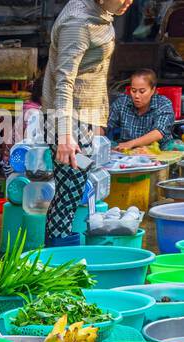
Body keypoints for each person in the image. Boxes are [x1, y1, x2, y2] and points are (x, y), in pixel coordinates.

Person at [41, 0, 134, 242]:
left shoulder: (99, 12)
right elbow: (64, 81)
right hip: (68, 122)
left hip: (84, 117)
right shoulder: (79, 23)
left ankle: (62, 252)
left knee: (72, 189)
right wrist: (64, 136)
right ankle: (59, 260)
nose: (128, 2)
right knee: (69, 193)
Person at [107, 69, 176, 149]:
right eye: (133, 90)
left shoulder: (163, 104)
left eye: (142, 91)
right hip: (127, 155)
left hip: (159, 152)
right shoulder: (122, 103)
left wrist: (131, 144)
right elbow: (106, 124)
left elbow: (158, 132)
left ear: (153, 90)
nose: (136, 96)